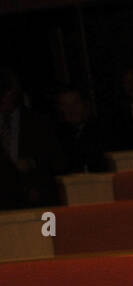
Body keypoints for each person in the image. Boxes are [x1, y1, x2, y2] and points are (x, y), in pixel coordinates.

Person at [0, 68, 62, 208]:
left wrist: (32, 163)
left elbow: (55, 158)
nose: (4, 99)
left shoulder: (37, 121)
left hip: (33, 195)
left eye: (6, 94)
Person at [53, 86, 109, 172]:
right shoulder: (57, 136)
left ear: (86, 104)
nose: (71, 109)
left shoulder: (104, 130)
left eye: (76, 103)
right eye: (65, 105)